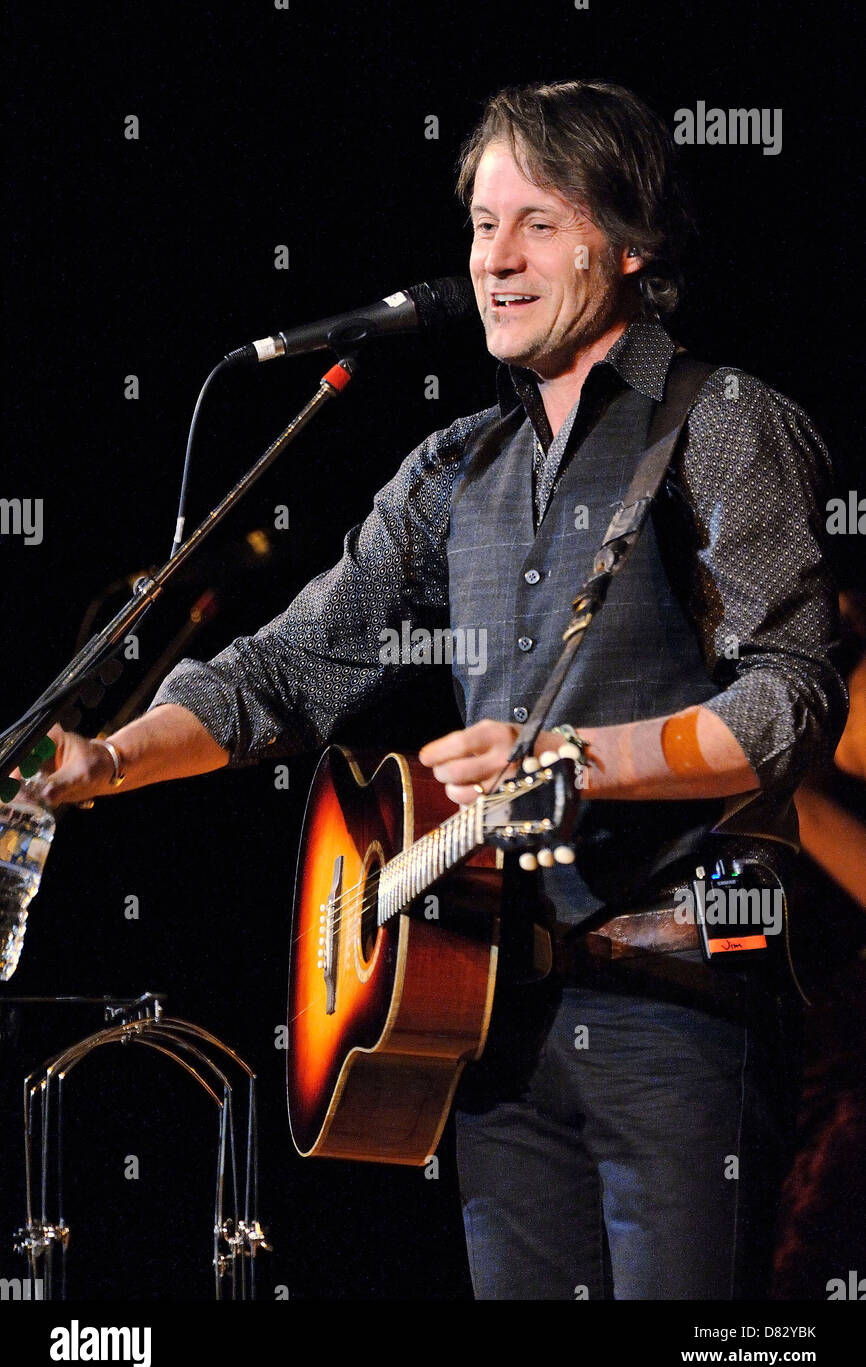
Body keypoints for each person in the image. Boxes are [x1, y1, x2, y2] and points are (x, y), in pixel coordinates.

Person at [29, 80, 847, 1299]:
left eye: (535, 223)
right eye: (478, 224)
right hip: (486, 1020)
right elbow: (286, 668)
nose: (493, 261)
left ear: (628, 245)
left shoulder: (723, 423)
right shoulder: (451, 469)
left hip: (675, 1004)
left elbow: (787, 698)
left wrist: (580, 758)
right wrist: (113, 758)